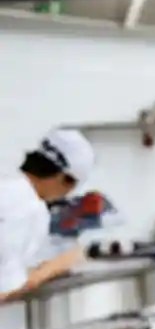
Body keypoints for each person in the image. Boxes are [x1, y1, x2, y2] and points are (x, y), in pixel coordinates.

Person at [0, 129, 95, 303]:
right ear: (65, 179)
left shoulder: (7, 183)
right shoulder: (29, 207)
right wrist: (60, 264)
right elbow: (7, 289)